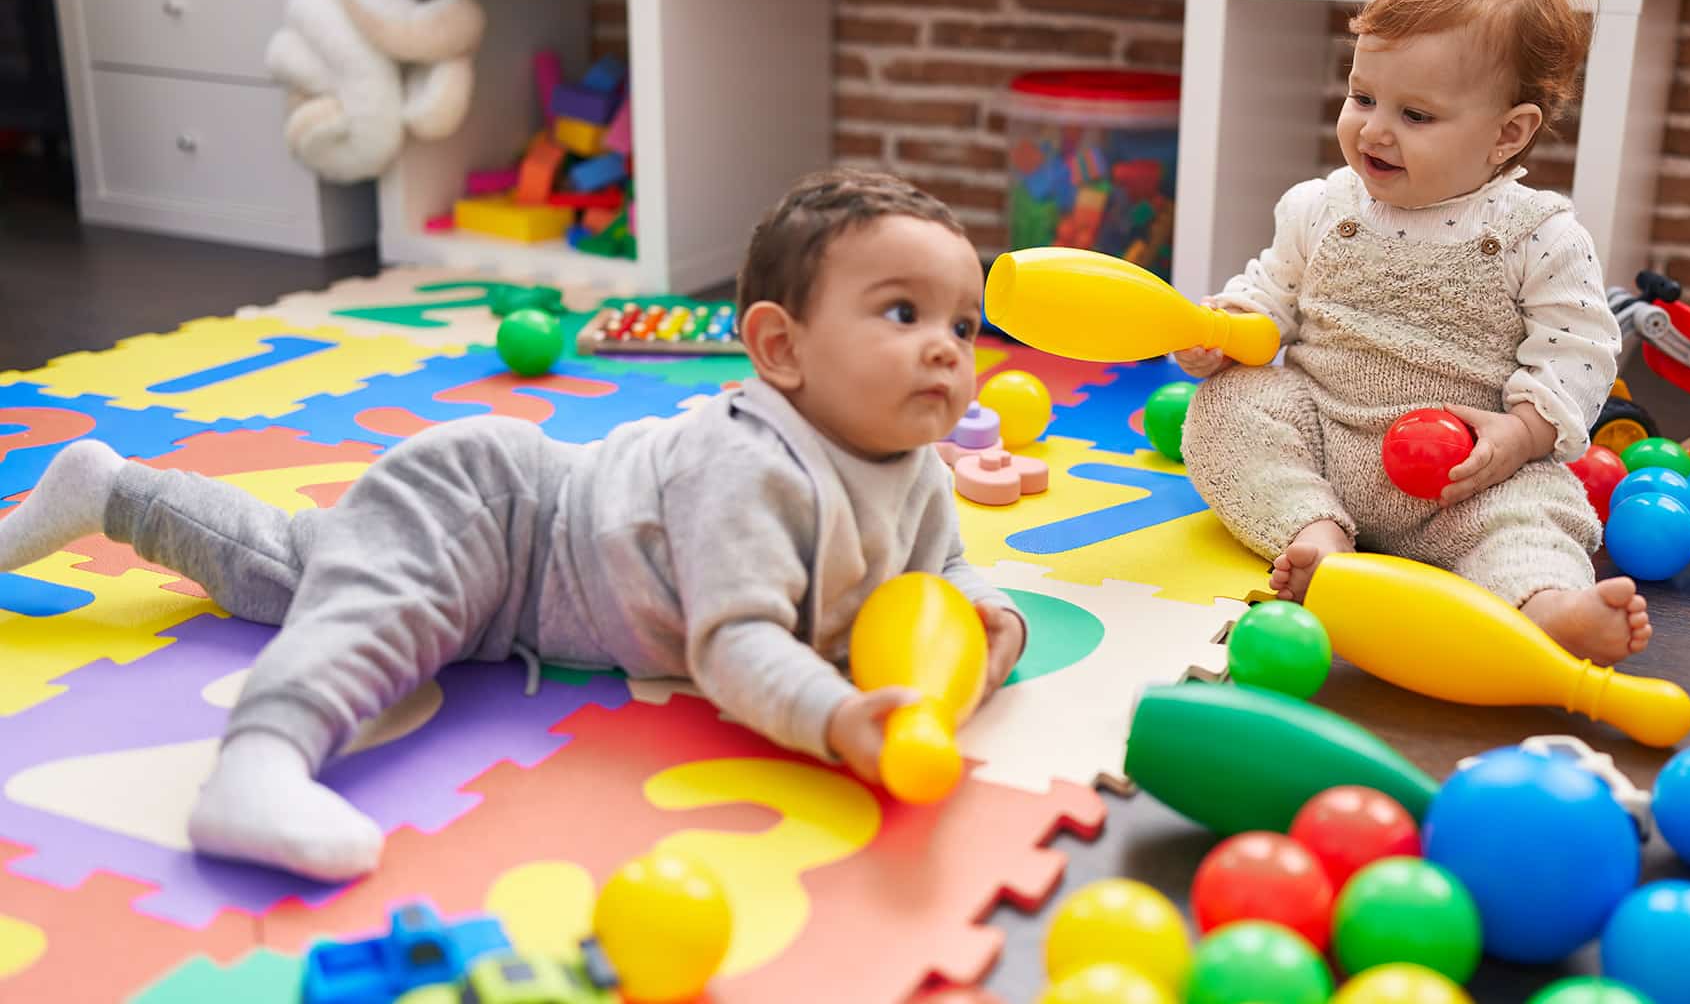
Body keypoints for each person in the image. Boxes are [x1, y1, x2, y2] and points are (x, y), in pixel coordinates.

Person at [0, 168, 1027, 882]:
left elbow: (945, 576)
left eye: (964, 324)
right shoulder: (748, 464)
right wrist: (839, 719)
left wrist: (989, 635)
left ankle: (112, 489)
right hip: (497, 514)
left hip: (531, 603)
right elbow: (736, 644)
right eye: (903, 314)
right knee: (369, 619)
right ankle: (257, 767)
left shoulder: (916, 472)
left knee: (285, 570)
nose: (945, 349)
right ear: (780, 347)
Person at [1173, 0, 1650, 665]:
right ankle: (1315, 531)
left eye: (1415, 114)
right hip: (1324, 440)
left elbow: (1578, 349)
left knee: (1532, 516)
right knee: (1224, 408)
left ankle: (1548, 608)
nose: (1373, 130)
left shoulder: (1538, 235)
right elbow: (1272, 294)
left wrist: (1520, 435)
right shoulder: (1320, 207)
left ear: (1508, 133)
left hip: (1465, 478)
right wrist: (1228, 330)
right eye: (1363, 98)